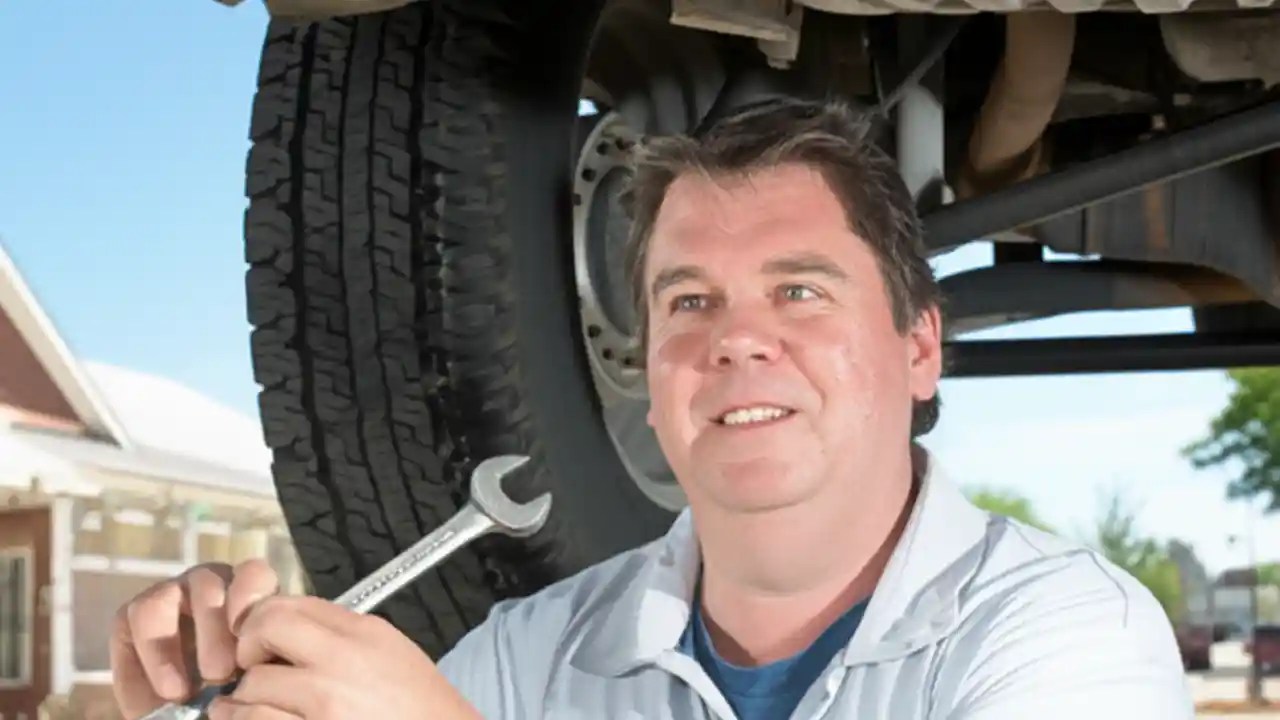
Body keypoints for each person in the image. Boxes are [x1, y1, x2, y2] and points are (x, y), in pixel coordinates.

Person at [110, 97, 1195, 719]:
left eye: (798, 290)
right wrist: (220, 692)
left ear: (919, 346)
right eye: (689, 299)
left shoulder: (1060, 637)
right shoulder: (526, 654)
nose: (734, 336)